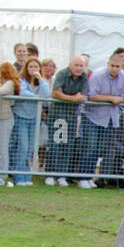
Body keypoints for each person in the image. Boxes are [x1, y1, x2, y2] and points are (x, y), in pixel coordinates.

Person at [83, 48, 124, 189]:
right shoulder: (98, 75)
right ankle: (84, 177)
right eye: (112, 66)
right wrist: (112, 99)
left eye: (118, 66)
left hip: (111, 119)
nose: (115, 69)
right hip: (93, 117)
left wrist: (117, 100)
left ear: (122, 66)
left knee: (101, 149)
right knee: (90, 147)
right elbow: (91, 95)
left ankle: (93, 177)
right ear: (108, 63)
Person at [48, 54, 89, 186]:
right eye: (76, 65)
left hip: (72, 115)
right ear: (70, 65)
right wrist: (73, 98)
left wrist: (65, 95)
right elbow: (55, 93)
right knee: (55, 144)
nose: (78, 68)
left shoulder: (84, 77)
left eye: (81, 66)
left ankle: (62, 175)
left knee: (68, 145)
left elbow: (83, 96)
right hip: (57, 114)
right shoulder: (62, 74)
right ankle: (49, 174)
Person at [12, 56, 49, 186]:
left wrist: (41, 79)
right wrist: (35, 97)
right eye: (31, 66)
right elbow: (22, 92)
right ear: (26, 68)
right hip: (21, 117)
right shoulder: (21, 80)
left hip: (35, 119)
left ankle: (26, 176)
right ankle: (18, 177)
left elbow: (46, 95)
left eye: (36, 67)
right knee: (22, 147)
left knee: (30, 149)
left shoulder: (41, 83)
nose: (33, 69)